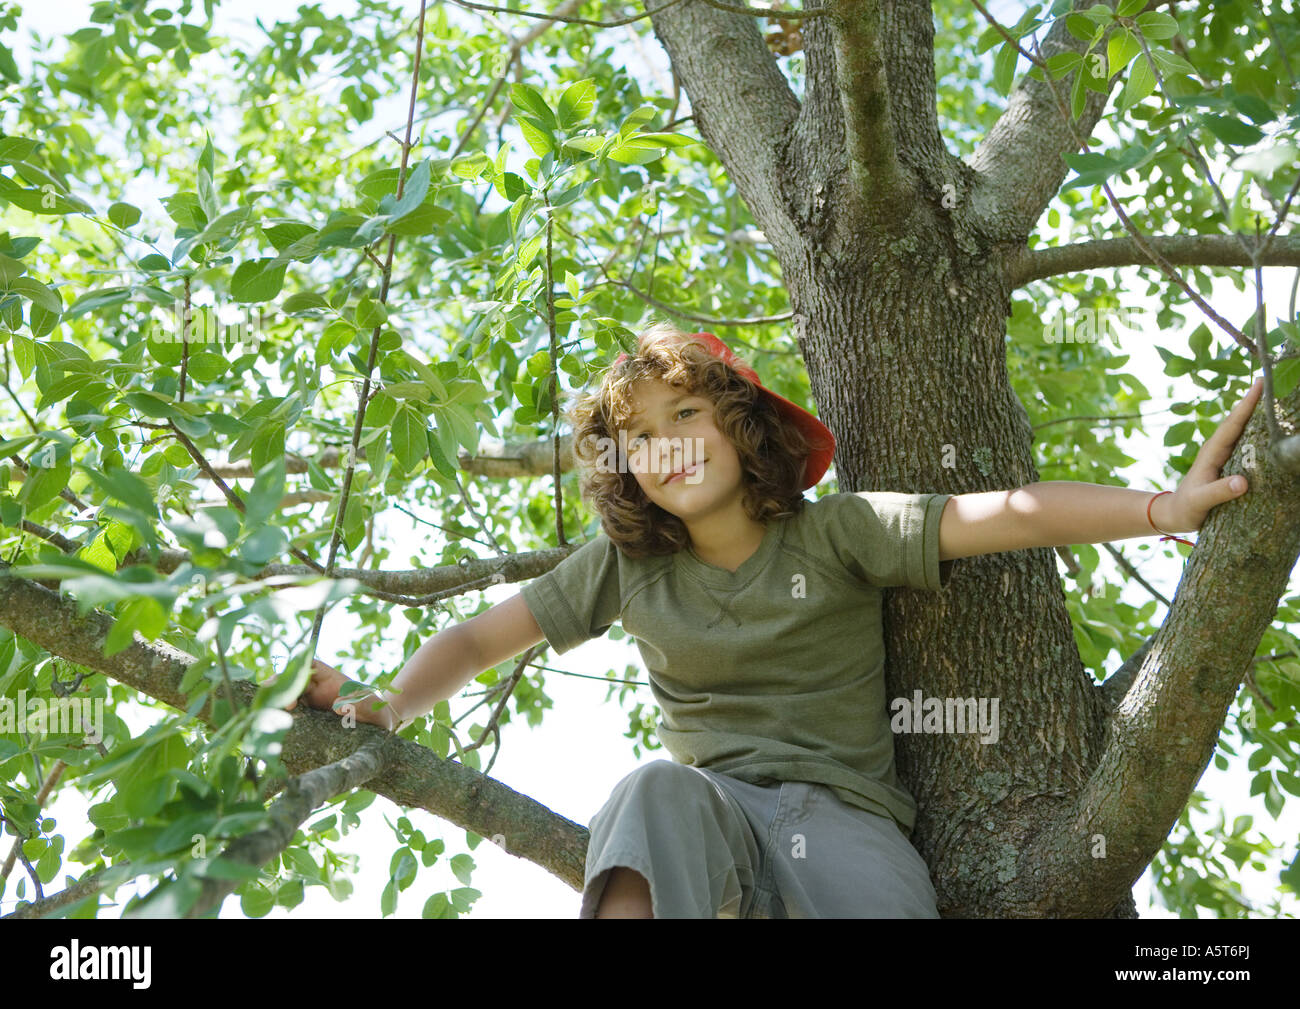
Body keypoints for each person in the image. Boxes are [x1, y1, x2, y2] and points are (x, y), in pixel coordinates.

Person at [291, 321, 1262, 918]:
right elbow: (474, 639)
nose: (663, 447)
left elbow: (1008, 513)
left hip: (840, 823)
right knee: (648, 792)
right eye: (636, 436)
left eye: (683, 416)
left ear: (739, 427)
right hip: (709, 833)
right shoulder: (627, 568)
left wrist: (1158, 509)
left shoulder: (836, 534)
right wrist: (385, 703)